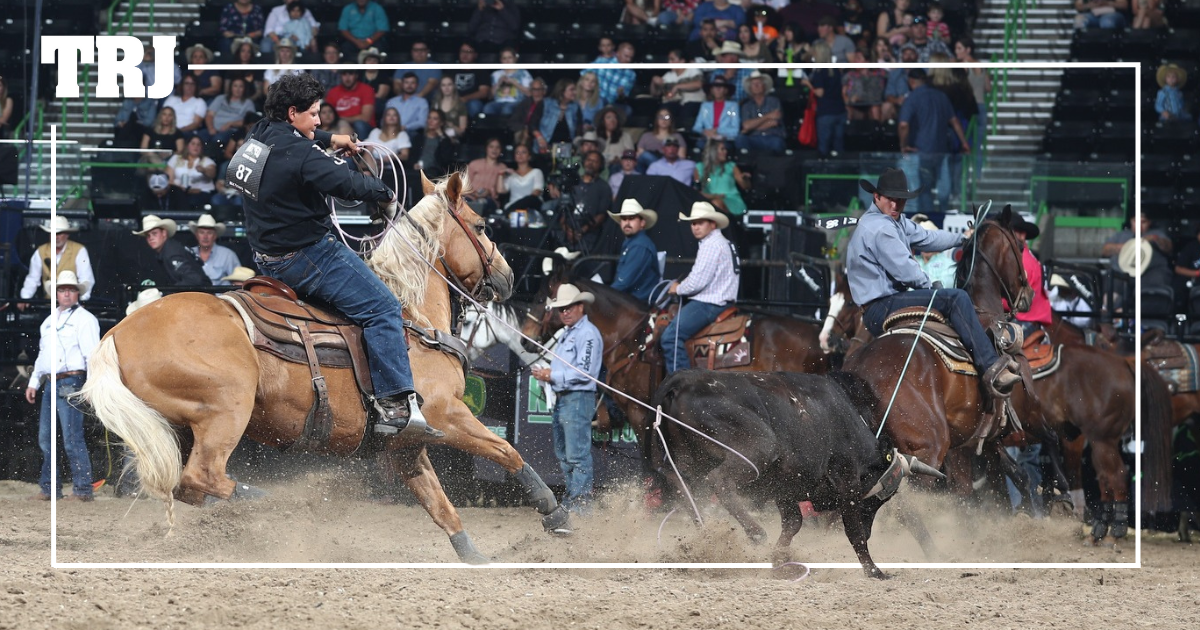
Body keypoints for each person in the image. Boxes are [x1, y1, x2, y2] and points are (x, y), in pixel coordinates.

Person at [236, 72, 430, 435]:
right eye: (314, 114)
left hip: (265, 259)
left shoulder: (259, 135)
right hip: (308, 257)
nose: (320, 120)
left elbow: (293, 143)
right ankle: (394, 405)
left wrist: (329, 138)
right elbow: (347, 183)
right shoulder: (302, 153)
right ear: (292, 113)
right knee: (383, 308)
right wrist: (384, 192)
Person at [845, 168, 1021, 398]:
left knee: (950, 298)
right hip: (881, 307)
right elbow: (907, 270)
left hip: (882, 304)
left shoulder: (892, 221)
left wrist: (963, 238)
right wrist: (931, 286)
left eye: (901, 200)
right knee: (956, 298)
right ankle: (990, 366)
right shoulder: (881, 229)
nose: (897, 205)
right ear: (876, 197)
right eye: (891, 199)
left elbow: (927, 238)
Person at [25, 270, 99, 502]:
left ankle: (82, 489)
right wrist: (34, 382)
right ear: (56, 294)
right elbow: (43, 355)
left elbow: (92, 356)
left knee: (71, 437)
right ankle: (50, 488)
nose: (66, 294)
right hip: (52, 381)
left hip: (72, 380)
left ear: (77, 293)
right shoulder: (49, 322)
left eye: (70, 290)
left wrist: (91, 384)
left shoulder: (86, 319)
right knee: (47, 438)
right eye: (62, 290)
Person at [530, 284, 603, 516]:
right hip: (565, 399)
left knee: (576, 455)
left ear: (580, 307)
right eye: (561, 309)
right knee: (564, 455)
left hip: (578, 398)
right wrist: (548, 372)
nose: (564, 313)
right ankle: (574, 501)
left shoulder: (588, 334)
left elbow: (585, 373)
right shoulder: (568, 334)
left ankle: (580, 505)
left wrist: (551, 375)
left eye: (569, 308)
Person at [661, 202, 739, 374]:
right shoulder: (722, 242)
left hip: (710, 303)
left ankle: (681, 383)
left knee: (670, 337)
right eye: (693, 223)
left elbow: (698, 282)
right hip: (722, 300)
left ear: (712, 224)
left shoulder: (711, 245)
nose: (695, 227)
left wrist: (678, 288)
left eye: (700, 222)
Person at [898, 68, 970, 214]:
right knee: (944, 188)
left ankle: (928, 218)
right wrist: (964, 143)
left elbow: (903, 125)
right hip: (942, 150)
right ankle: (943, 215)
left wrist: (903, 145)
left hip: (920, 151)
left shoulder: (912, 98)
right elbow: (954, 121)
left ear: (911, 82)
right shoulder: (941, 96)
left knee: (923, 189)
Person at [18, 215, 95, 308]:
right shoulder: (40, 251)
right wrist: (25, 298)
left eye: (59, 233)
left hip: (72, 305)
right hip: (48, 305)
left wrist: (83, 301)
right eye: (53, 233)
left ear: (67, 234)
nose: (56, 237)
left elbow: (86, 279)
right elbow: (32, 279)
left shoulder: (79, 250)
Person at [548, 150, 612, 255]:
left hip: (588, 234)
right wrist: (567, 230)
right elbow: (562, 211)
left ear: (600, 165)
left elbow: (601, 215)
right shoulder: (572, 183)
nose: (590, 163)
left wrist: (581, 231)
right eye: (588, 160)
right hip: (566, 233)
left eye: (595, 161)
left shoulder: (604, 187)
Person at [133, 215, 212, 287]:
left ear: (164, 233)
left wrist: (169, 293)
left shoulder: (171, 253)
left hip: (202, 296)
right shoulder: (169, 249)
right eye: (148, 235)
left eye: (154, 233)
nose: (151, 238)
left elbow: (194, 279)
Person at [607, 199, 661, 303]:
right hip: (631, 302)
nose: (627, 223)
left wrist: (604, 294)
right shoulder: (632, 242)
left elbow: (624, 282)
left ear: (642, 223)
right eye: (623, 219)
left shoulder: (640, 245)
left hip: (639, 304)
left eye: (631, 218)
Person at [1010, 216, 1051, 337]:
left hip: (1024, 320)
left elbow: (1015, 299)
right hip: (1027, 319)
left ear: (1022, 235)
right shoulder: (1023, 258)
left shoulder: (1022, 262)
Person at [805, 43, 845, 157]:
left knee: (824, 147)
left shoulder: (820, 71)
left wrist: (808, 84)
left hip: (826, 112)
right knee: (839, 147)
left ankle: (823, 171)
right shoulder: (836, 70)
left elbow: (820, 93)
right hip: (840, 111)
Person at [737, 71, 786, 155]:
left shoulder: (774, 101)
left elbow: (774, 122)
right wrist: (768, 116)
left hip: (772, 137)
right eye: (753, 84)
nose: (756, 86)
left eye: (759, 83)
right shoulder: (746, 105)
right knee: (740, 139)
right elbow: (746, 125)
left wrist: (752, 127)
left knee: (777, 143)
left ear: (764, 86)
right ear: (750, 88)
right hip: (753, 138)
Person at [696, 141, 748, 216]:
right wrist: (713, 196)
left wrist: (745, 179)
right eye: (722, 149)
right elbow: (697, 190)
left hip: (730, 199)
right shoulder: (700, 167)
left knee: (716, 203)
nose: (726, 152)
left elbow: (745, 186)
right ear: (713, 152)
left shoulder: (731, 166)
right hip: (707, 199)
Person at [187, 214, 242, 285]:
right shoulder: (188, 254)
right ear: (196, 235)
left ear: (215, 236)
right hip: (194, 295)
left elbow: (239, 281)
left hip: (221, 296)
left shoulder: (228, 255)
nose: (205, 237)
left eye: (209, 233)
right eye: (202, 232)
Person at [201, 76, 257, 145]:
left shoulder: (248, 103)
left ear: (244, 89)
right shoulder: (220, 98)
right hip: (212, 129)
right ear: (231, 87)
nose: (238, 89)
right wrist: (211, 128)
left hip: (231, 131)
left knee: (218, 139)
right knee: (199, 137)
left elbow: (250, 122)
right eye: (235, 86)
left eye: (241, 86)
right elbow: (209, 115)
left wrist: (230, 123)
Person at [167, 137, 219, 209]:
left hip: (200, 193)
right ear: (187, 146)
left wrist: (204, 170)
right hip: (178, 191)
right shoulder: (176, 158)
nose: (196, 147)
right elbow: (169, 179)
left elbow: (212, 173)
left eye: (198, 145)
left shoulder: (207, 161)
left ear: (201, 148)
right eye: (193, 144)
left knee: (190, 201)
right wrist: (180, 188)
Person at [693, 74, 740, 149]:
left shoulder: (733, 106)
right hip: (707, 139)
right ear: (711, 90)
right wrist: (704, 131)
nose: (718, 89)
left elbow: (735, 129)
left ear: (725, 90)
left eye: (721, 86)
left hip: (724, 139)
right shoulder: (705, 106)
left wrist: (717, 131)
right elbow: (696, 127)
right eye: (715, 86)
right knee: (699, 145)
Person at [535, 78, 581, 155]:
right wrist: (539, 138)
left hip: (565, 148)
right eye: (572, 90)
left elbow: (579, 128)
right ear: (562, 91)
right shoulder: (546, 103)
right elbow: (533, 124)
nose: (575, 92)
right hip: (545, 145)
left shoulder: (575, 107)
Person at [327, 69, 377, 139]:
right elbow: (327, 114)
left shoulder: (366, 89)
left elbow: (366, 118)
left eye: (350, 74)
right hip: (340, 125)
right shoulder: (333, 91)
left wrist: (341, 118)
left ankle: (361, 149)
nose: (347, 78)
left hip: (363, 127)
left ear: (356, 75)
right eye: (344, 74)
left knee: (358, 124)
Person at [484, 48, 532, 117]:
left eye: (510, 57)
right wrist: (498, 83)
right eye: (504, 58)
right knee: (488, 108)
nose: (507, 61)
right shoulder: (496, 74)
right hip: (498, 102)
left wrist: (514, 83)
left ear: (515, 59)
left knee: (507, 108)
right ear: (501, 60)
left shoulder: (523, 73)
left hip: (517, 102)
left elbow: (530, 93)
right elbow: (490, 96)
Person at [465, 137, 508, 215]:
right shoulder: (474, 164)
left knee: (483, 204)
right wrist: (475, 194)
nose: (494, 150)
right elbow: (465, 185)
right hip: (471, 197)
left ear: (501, 150)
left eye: (497, 147)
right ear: (486, 149)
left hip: (489, 199)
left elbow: (500, 189)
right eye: (491, 147)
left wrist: (489, 192)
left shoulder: (502, 167)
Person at [636, 107, 687, 173]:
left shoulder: (677, 136)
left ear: (671, 120)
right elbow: (640, 155)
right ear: (657, 120)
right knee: (644, 156)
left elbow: (681, 157)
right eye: (661, 117)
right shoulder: (646, 135)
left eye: (667, 117)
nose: (664, 120)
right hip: (648, 167)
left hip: (669, 164)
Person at [452, 42, 492, 118]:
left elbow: (484, 92)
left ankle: (470, 129)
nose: (465, 55)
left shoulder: (481, 71)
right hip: (454, 100)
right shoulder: (452, 70)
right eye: (462, 51)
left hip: (472, 101)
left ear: (475, 55)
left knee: (474, 105)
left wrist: (465, 98)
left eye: (469, 52)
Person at [914, 219, 957, 289]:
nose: (926, 245)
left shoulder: (950, 266)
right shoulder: (912, 260)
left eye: (929, 241)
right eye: (922, 241)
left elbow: (942, 288)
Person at [500, 144, 544, 211]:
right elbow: (501, 191)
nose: (520, 155)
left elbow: (537, 192)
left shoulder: (536, 172)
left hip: (531, 206)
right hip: (514, 206)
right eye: (517, 152)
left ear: (529, 156)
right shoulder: (511, 174)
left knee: (531, 199)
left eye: (523, 152)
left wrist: (523, 204)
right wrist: (500, 174)